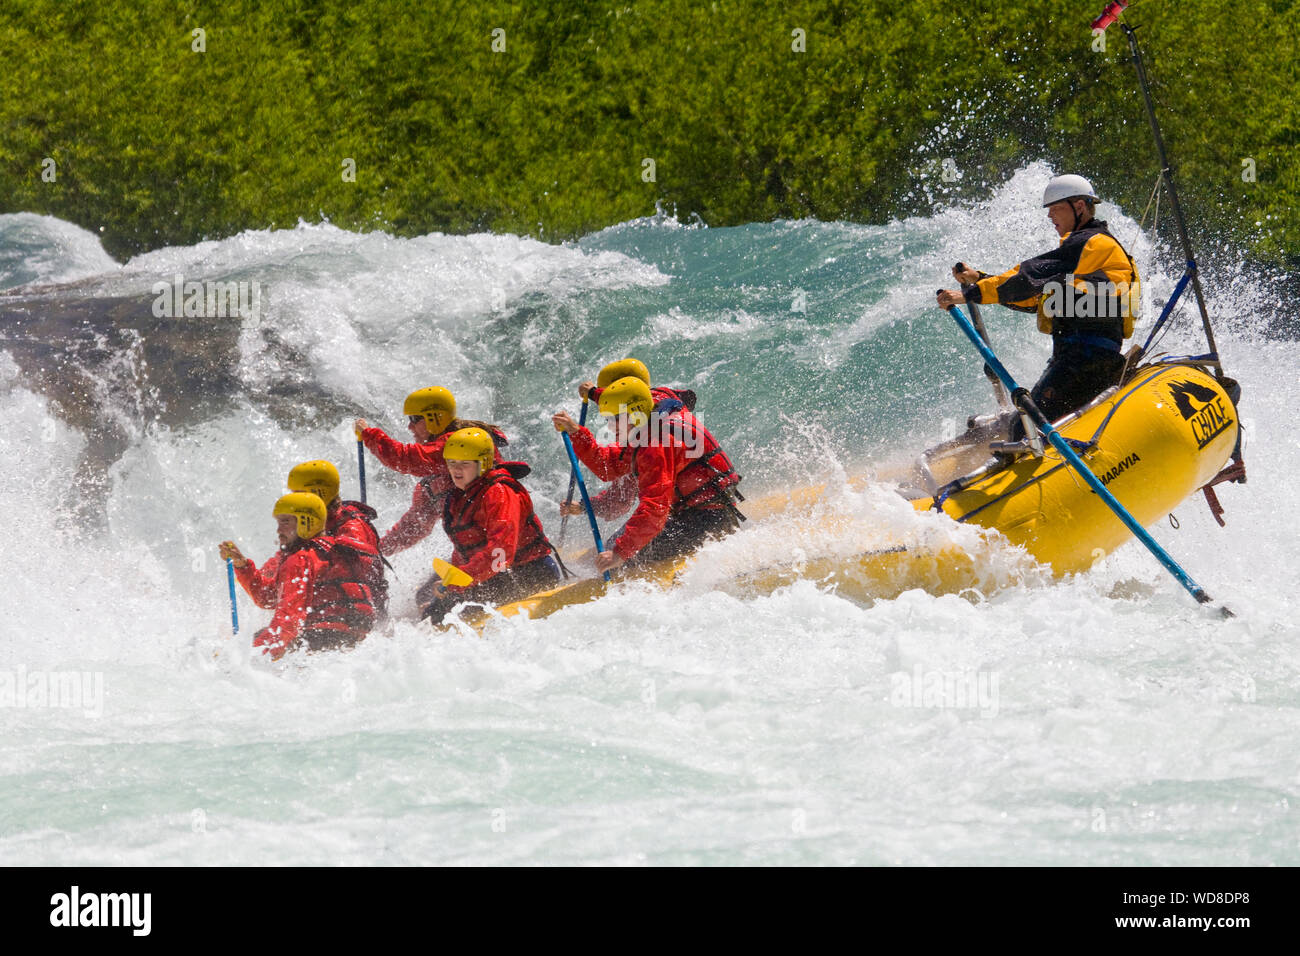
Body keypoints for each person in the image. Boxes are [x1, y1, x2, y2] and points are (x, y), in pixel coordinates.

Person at [936, 174, 1141, 426]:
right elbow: (1033, 298)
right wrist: (980, 279)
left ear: (1078, 207)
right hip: (1078, 361)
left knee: (1025, 428)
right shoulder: (1081, 253)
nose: (1049, 216)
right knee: (1018, 423)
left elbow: (1028, 276)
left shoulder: (1092, 244)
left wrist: (968, 295)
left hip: (1086, 361)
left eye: (1056, 209)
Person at [551, 376, 742, 574]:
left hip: (706, 520)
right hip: (694, 511)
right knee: (612, 547)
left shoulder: (655, 445)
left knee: (617, 563)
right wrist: (580, 422)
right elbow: (609, 464)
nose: (609, 427)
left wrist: (620, 554)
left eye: (614, 419)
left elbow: (655, 508)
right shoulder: (652, 412)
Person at [574, 357, 743, 527]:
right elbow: (620, 498)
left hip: (701, 518)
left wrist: (593, 397)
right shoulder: (665, 401)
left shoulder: (650, 438)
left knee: (612, 548)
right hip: (717, 509)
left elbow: (618, 491)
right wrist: (585, 506)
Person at [419, 427, 563, 622]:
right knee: (430, 609)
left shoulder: (499, 493)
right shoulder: (460, 494)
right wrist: (452, 582)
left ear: (483, 463)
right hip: (495, 573)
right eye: (452, 463)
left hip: (530, 573)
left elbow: (501, 553)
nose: (456, 470)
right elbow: (464, 546)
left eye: (465, 464)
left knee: (443, 616)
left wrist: (460, 581)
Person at [219, 492, 377, 660]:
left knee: (241, 648)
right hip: (358, 636)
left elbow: (288, 621)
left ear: (306, 521)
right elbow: (269, 597)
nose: (279, 530)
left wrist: (244, 658)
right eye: (278, 522)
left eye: (286, 521)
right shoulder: (336, 546)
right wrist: (242, 565)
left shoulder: (300, 559)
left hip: (323, 637)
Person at [353, 386, 507, 556]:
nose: (410, 427)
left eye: (414, 419)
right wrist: (377, 551)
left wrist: (369, 434)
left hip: (498, 552)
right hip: (476, 553)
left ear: (435, 418)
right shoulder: (436, 478)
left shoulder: (458, 444)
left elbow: (404, 459)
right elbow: (415, 526)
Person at [285, 459, 388, 617]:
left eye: (297, 495)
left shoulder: (352, 527)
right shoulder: (316, 523)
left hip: (356, 614)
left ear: (318, 494)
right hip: (330, 607)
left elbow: (357, 576)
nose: (292, 501)